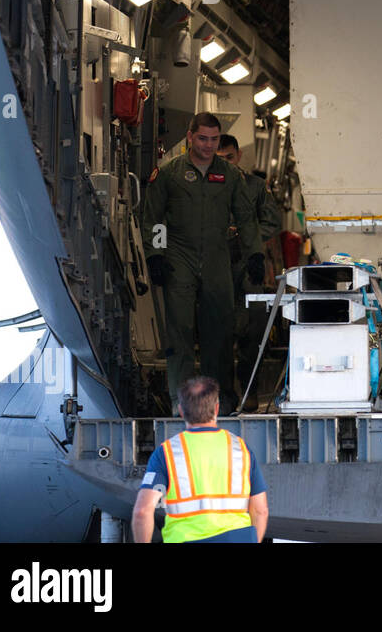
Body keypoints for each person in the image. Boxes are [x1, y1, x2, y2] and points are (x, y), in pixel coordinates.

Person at [142, 113, 263, 414]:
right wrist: (156, 255)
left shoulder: (230, 176)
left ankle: (217, 402)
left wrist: (255, 254)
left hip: (216, 259)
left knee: (219, 333)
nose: (209, 146)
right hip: (179, 258)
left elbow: (247, 219)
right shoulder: (169, 174)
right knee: (179, 332)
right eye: (203, 139)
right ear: (190, 137)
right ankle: (179, 402)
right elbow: (153, 218)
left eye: (214, 140)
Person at [131, 376, 268, 543]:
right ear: (217, 409)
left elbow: (142, 511)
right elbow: (260, 511)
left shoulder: (167, 452)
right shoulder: (241, 449)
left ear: (181, 410)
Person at [218, 133, 282, 407]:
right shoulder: (205, 188)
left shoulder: (255, 187)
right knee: (218, 335)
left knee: (253, 335)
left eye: (229, 158)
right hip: (216, 268)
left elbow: (272, 222)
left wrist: (246, 236)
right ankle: (224, 395)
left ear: (239, 155)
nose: (225, 163)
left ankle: (250, 390)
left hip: (249, 269)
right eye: (219, 159)